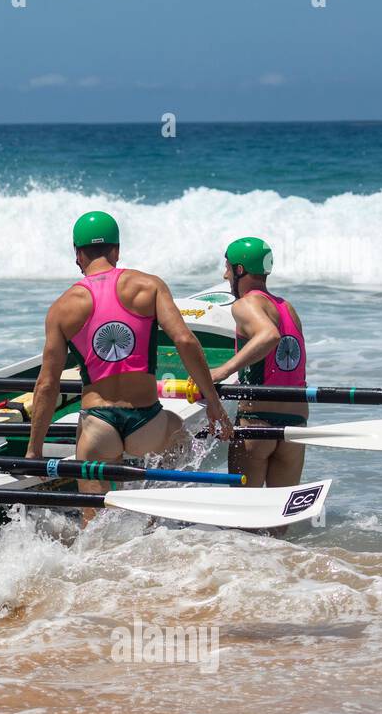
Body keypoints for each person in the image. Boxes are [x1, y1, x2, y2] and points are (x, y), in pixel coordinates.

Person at [25, 211, 232, 519]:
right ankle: (153, 521)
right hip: (147, 423)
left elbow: (46, 384)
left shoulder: (62, 308)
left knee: (92, 524)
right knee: (179, 437)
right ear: (117, 250)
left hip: (98, 427)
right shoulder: (148, 287)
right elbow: (186, 342)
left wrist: (34, 450)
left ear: (77, 255)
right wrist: (212, 402)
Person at [209, 237, 308, 491]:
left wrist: (222, 371)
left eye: (228, 268)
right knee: (279, 523)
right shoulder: (288, 307)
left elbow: (269, 336)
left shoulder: (246, 304)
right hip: (295, 427)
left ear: (240, 270)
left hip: (258, 424)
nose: (225, 275)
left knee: (244, 521)